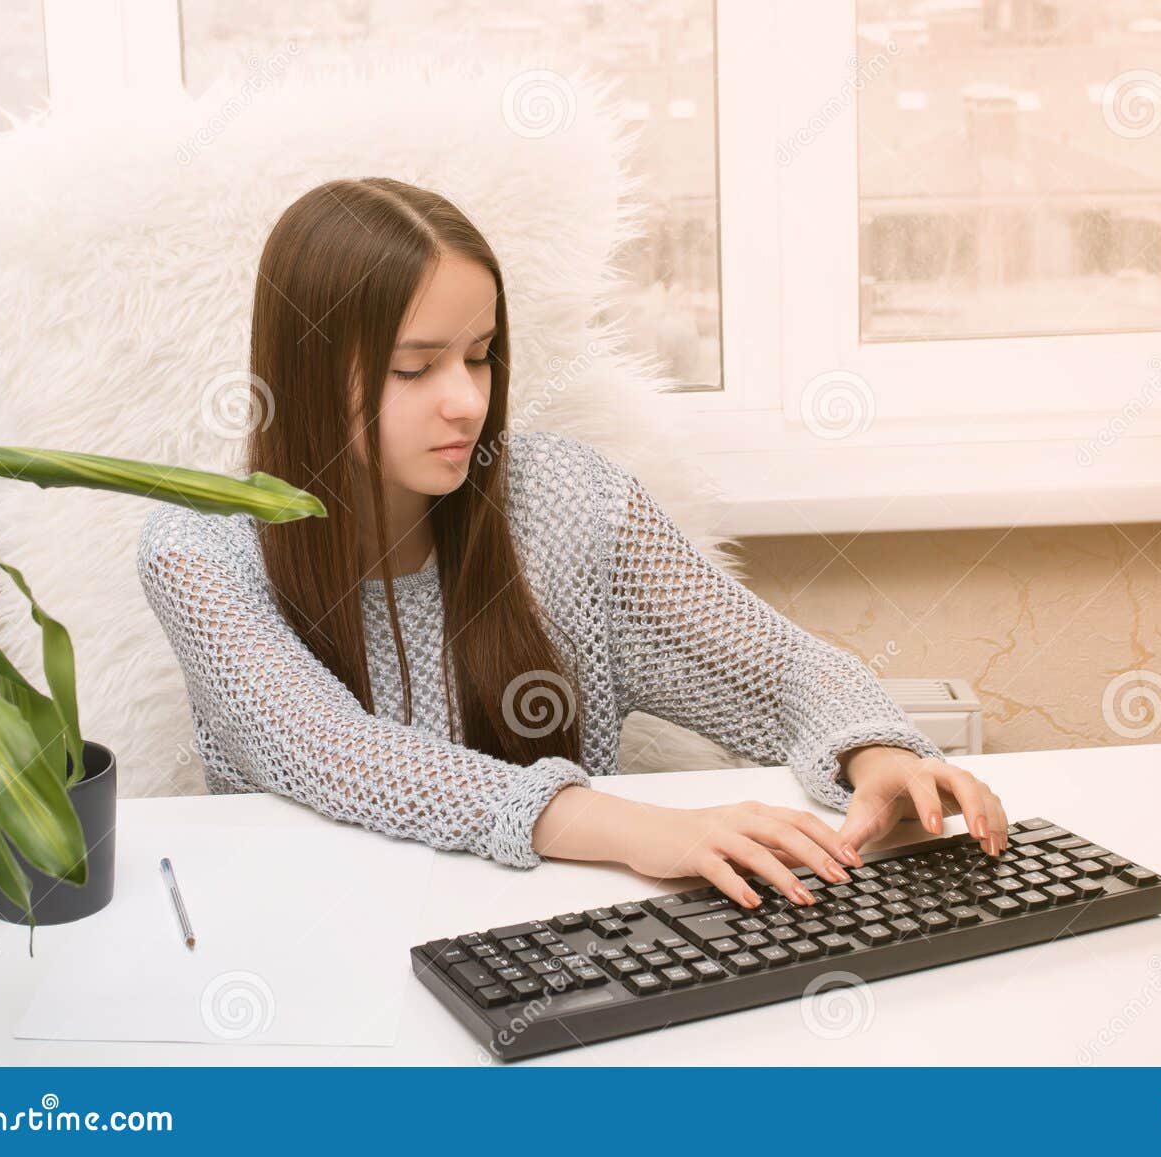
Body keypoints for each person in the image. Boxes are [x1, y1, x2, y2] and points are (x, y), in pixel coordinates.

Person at [137, 178, 1008, 913]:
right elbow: (331, 751)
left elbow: (780, 669)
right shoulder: (199, 549)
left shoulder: (571, 502)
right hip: (320, 941)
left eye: (479, 357)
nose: (465, 402)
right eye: (416, 367)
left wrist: (875, 748)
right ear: (310, 370)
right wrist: (643, 829)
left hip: (559, 948)